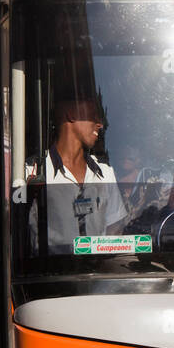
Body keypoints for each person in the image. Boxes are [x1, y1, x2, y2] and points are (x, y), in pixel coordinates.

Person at [34, 97, 128, 254]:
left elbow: (115, 225)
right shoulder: (36, 172)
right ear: (71, 115)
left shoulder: (105, 172)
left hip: (96, 273)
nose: (100, 124)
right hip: (51, 273)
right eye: (93, 115)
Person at [116, 145, 174, 247]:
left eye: (131, 155)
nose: (127, 154)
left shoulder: (161, 177)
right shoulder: (105, 177)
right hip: (109, 247)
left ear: (140, 157)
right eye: (122, 155)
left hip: (150, 245)